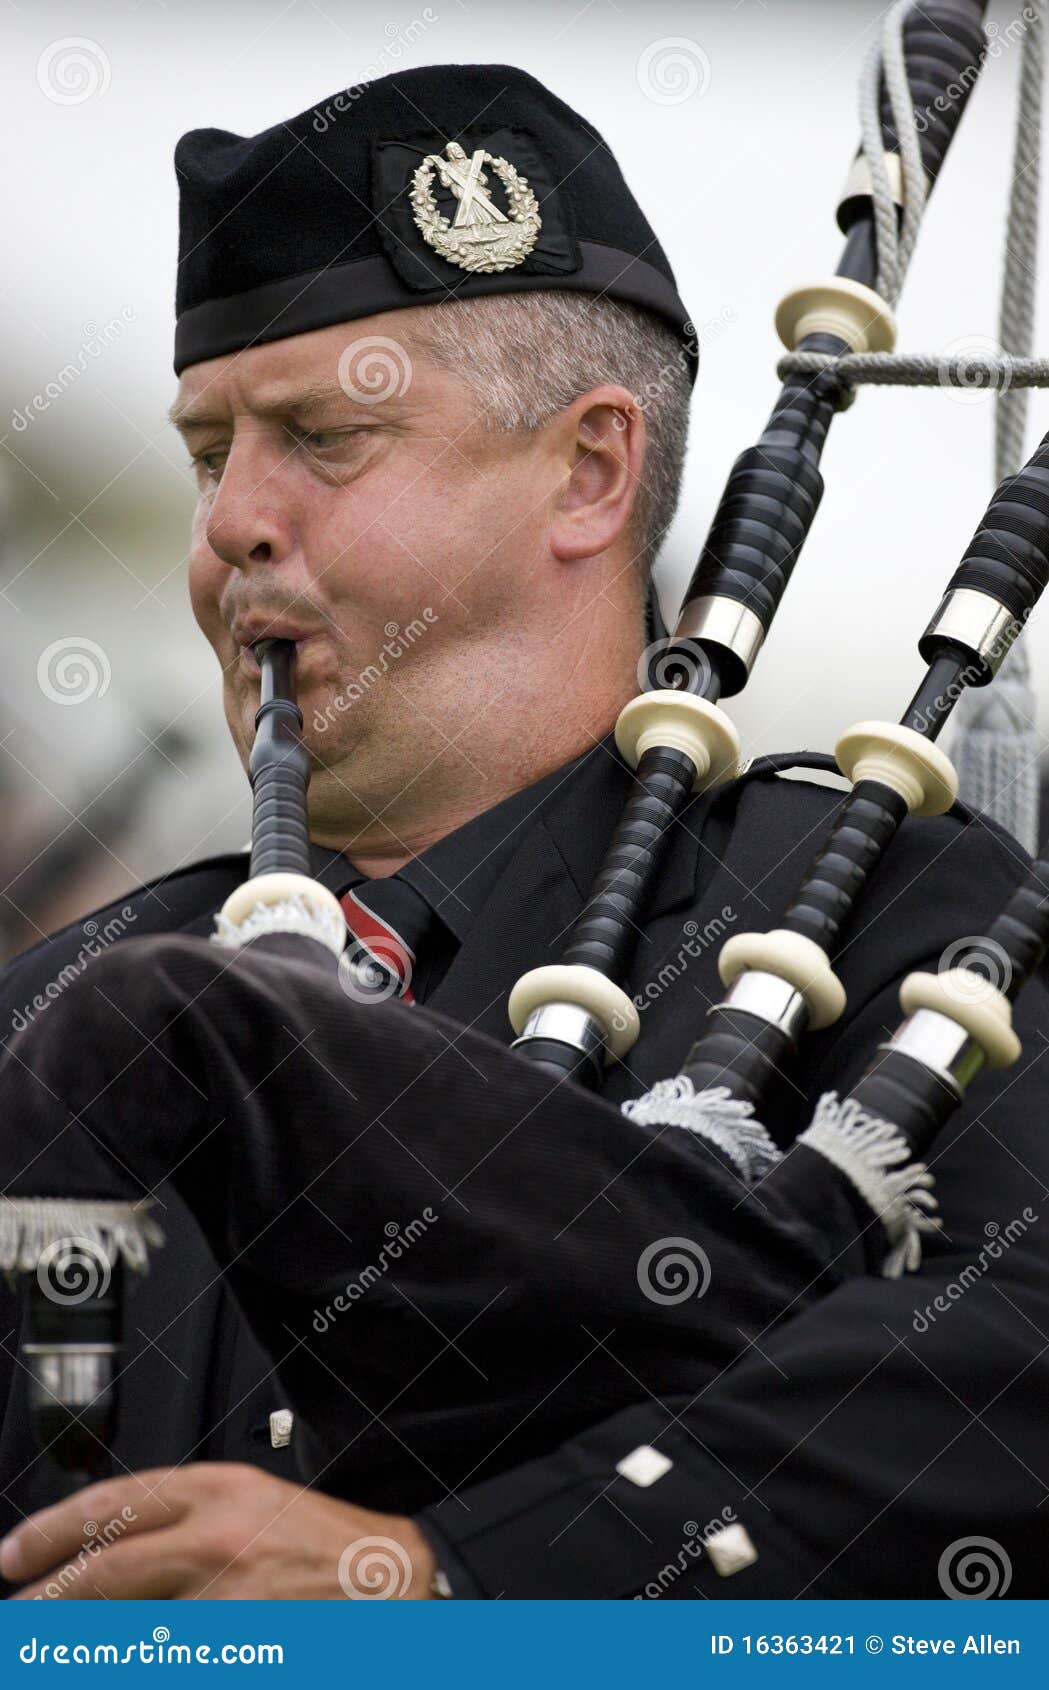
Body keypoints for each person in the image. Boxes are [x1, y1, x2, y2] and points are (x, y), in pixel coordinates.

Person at [0, 62, 1047, 1602]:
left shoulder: (897, 937)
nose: (228, 525)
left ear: (587, 470)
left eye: (322, 437)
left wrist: (442, 1575)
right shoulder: (65, 997)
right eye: (210, 454)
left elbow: (1010, 1377)